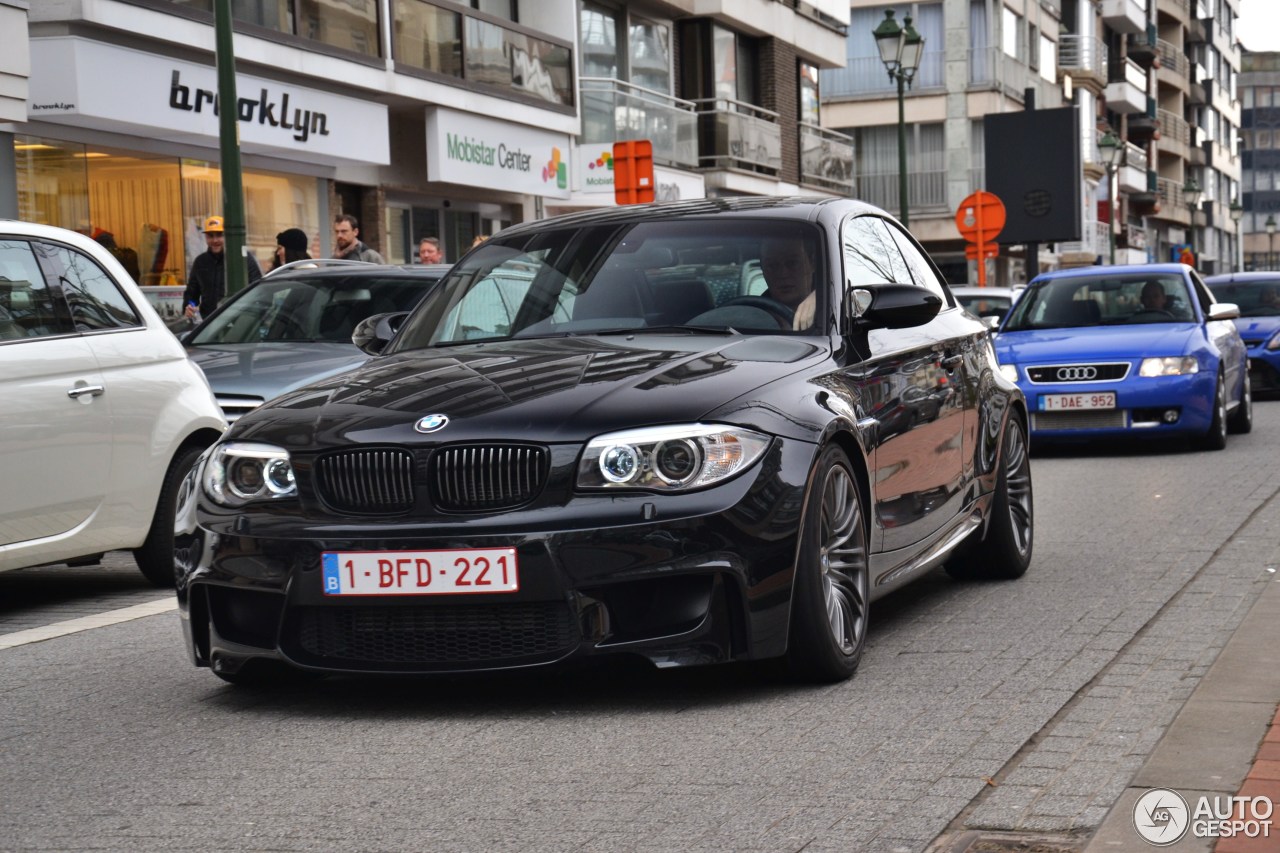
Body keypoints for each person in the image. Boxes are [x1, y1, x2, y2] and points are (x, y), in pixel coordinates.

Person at [184, 215, 262, 319]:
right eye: (210, 236)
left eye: (219, 235)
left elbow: (258, 288)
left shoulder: (243, 259)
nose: (215, 240)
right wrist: (190, 305)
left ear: (227, 236)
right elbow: (192, 292)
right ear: (206, 238)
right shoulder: (200, 262)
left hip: (239, 322)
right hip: (209, 324)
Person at [759, 238, 817, 330]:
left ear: (812, 263)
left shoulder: (832, 306)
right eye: (772, 265)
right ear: (763, 270)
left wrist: (821, 297)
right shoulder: (751, 316)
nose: (783, 274)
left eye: (792, 263)